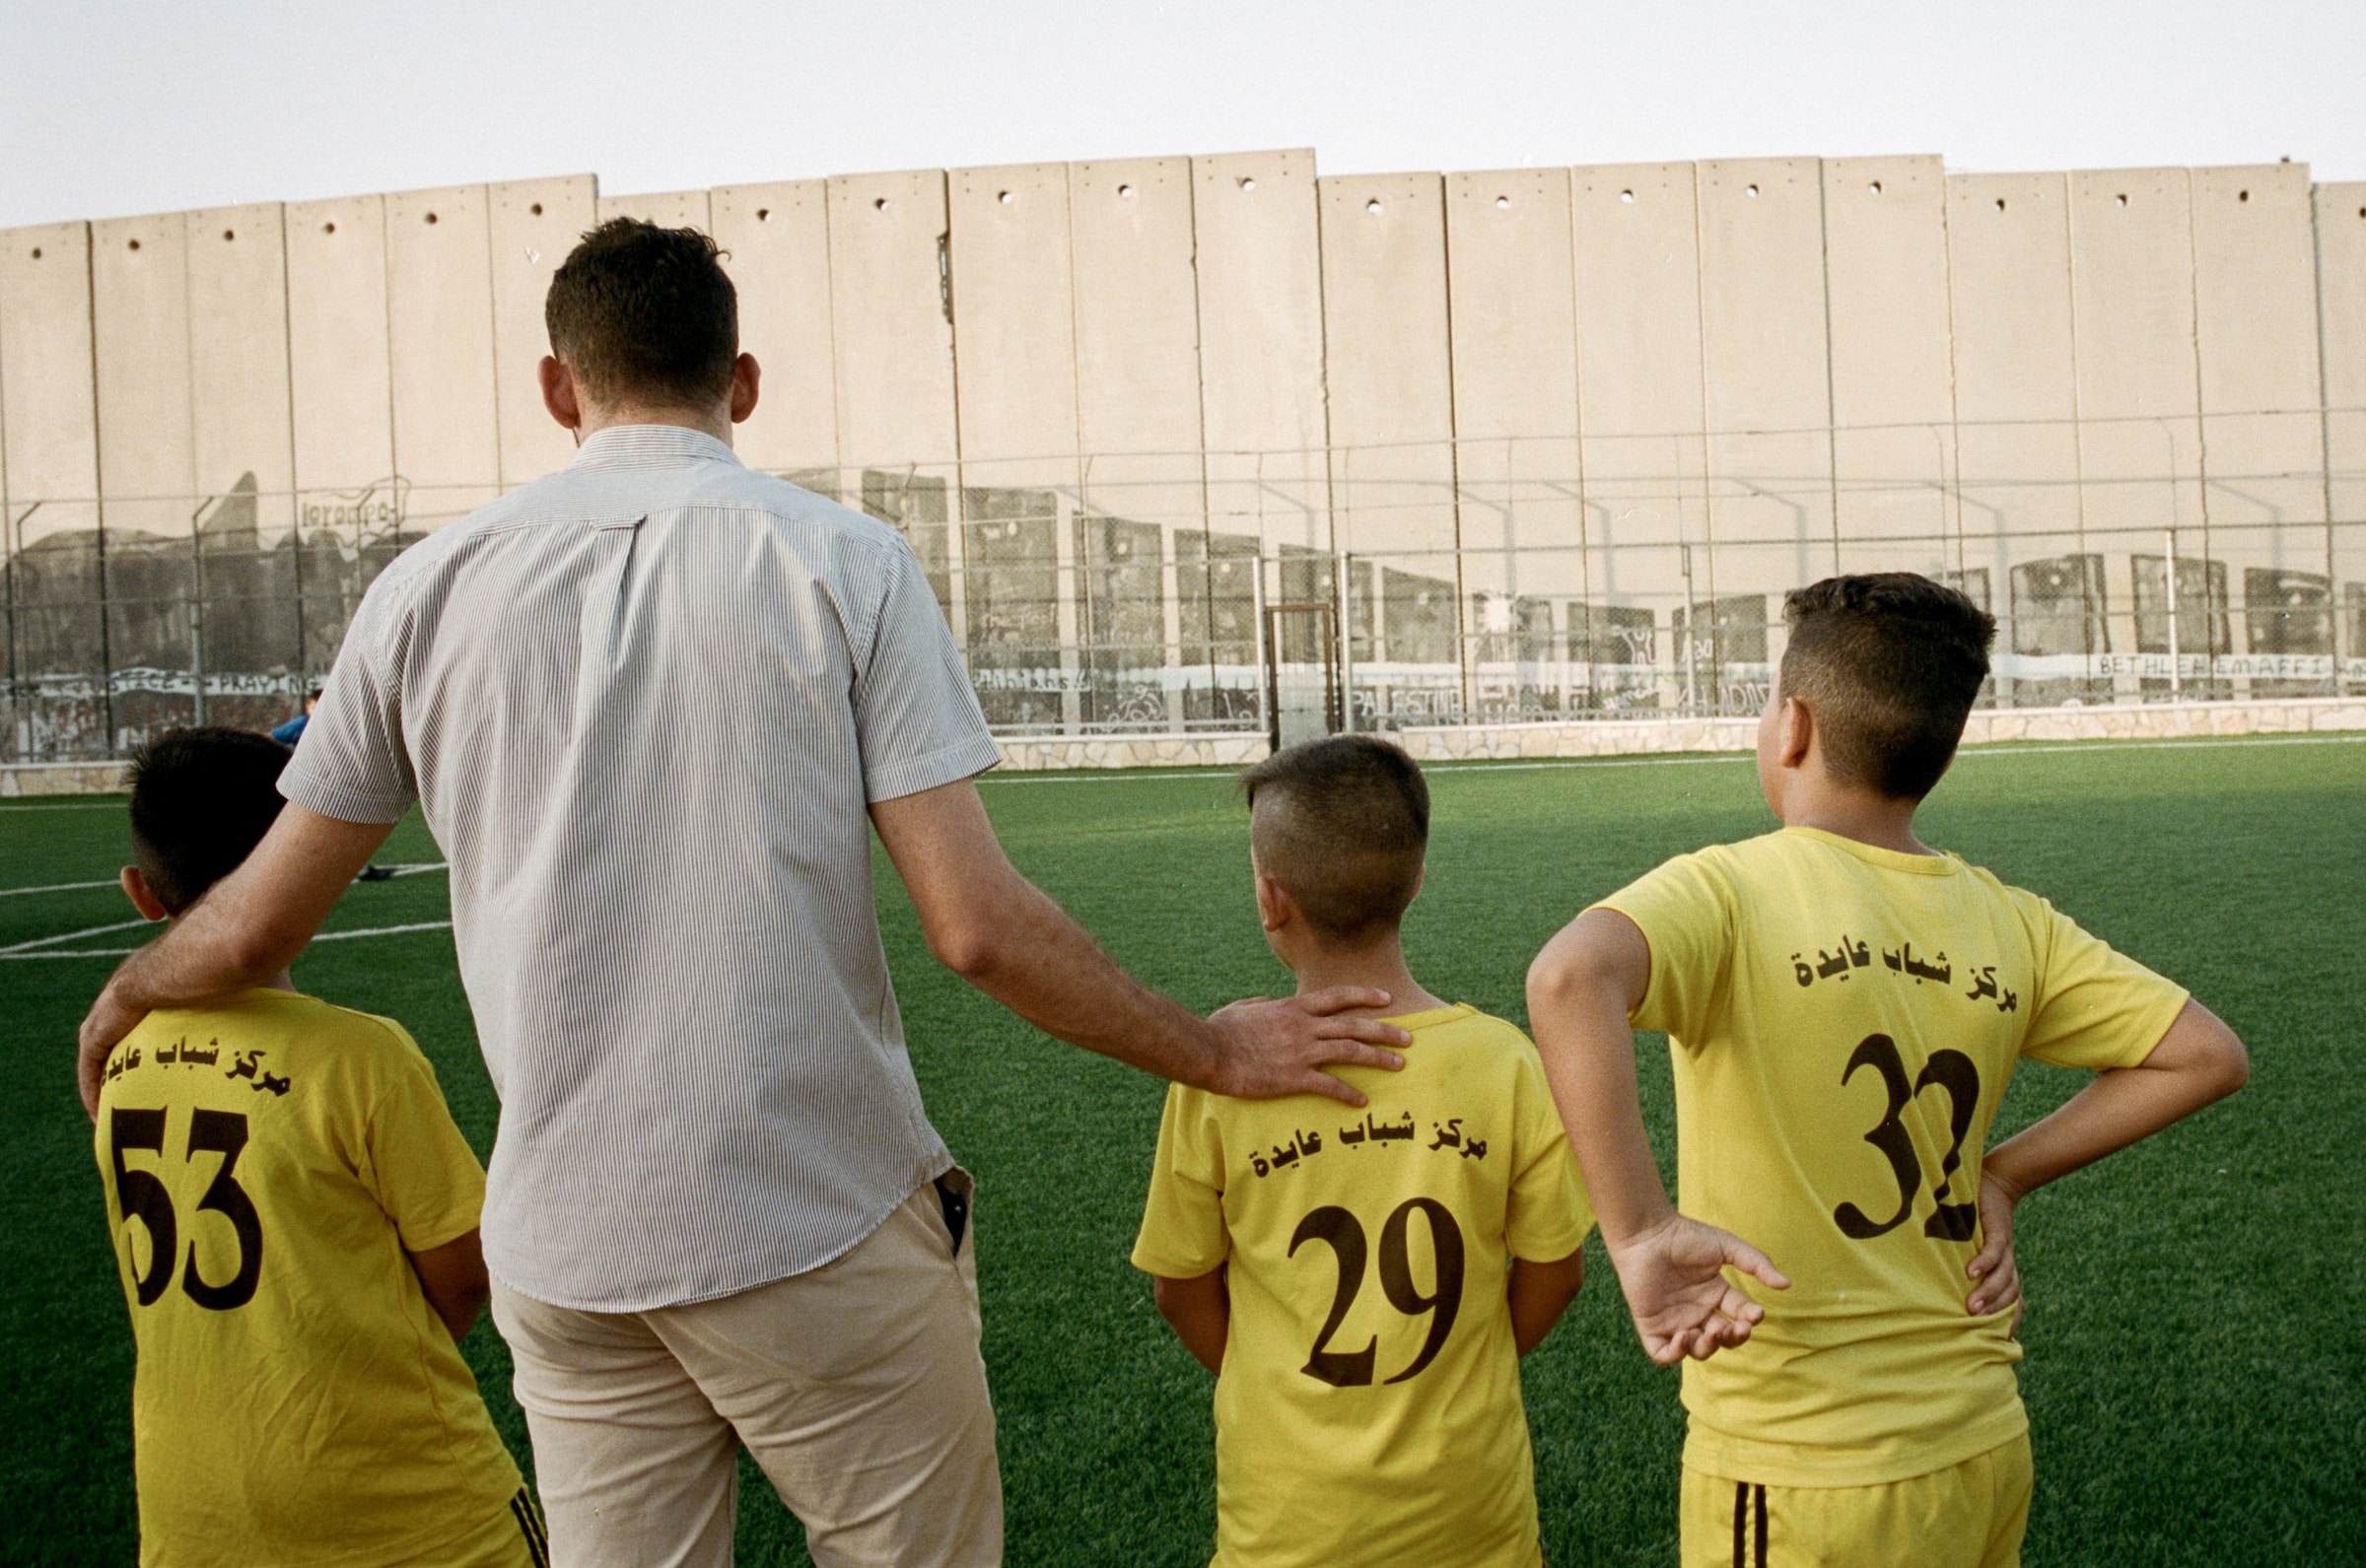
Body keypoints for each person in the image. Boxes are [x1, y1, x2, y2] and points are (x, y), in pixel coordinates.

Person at [75, 219, 1410, 1568]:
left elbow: (251, 923)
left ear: (558, 386)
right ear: (744, 380)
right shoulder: (842, 558)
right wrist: (1215, 1046)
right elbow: (975, 923)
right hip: (814, 1212)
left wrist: (129, 986)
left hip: (570, 1248)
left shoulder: (420, 589)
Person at [1525, 574, 2249, 1568]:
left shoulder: (1733, 889)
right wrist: (2006, 1170)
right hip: (1981, 1443)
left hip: (1804, 1466)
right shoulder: (2012, 919)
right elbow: (2206, 1054)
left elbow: (1569, 977)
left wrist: (1641, 1229)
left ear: (1794, 725)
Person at [1134, 735, 1593, 1567]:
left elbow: (1180, 1291)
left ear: (1271, 899)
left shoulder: (1217, 1073)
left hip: (1286, 1524)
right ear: (1417, 879)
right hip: (1471, 1516)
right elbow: (1556, 1273)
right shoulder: (1504, 1062)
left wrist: (1272, 1389)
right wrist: (1462, 1362)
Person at [92, 726, 544, 1568]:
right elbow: (463, 1274)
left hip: (193, 1506)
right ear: (305, 871)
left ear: (141, 893)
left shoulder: (118, 1062)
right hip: (407, 1505)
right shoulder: (358, 1055)